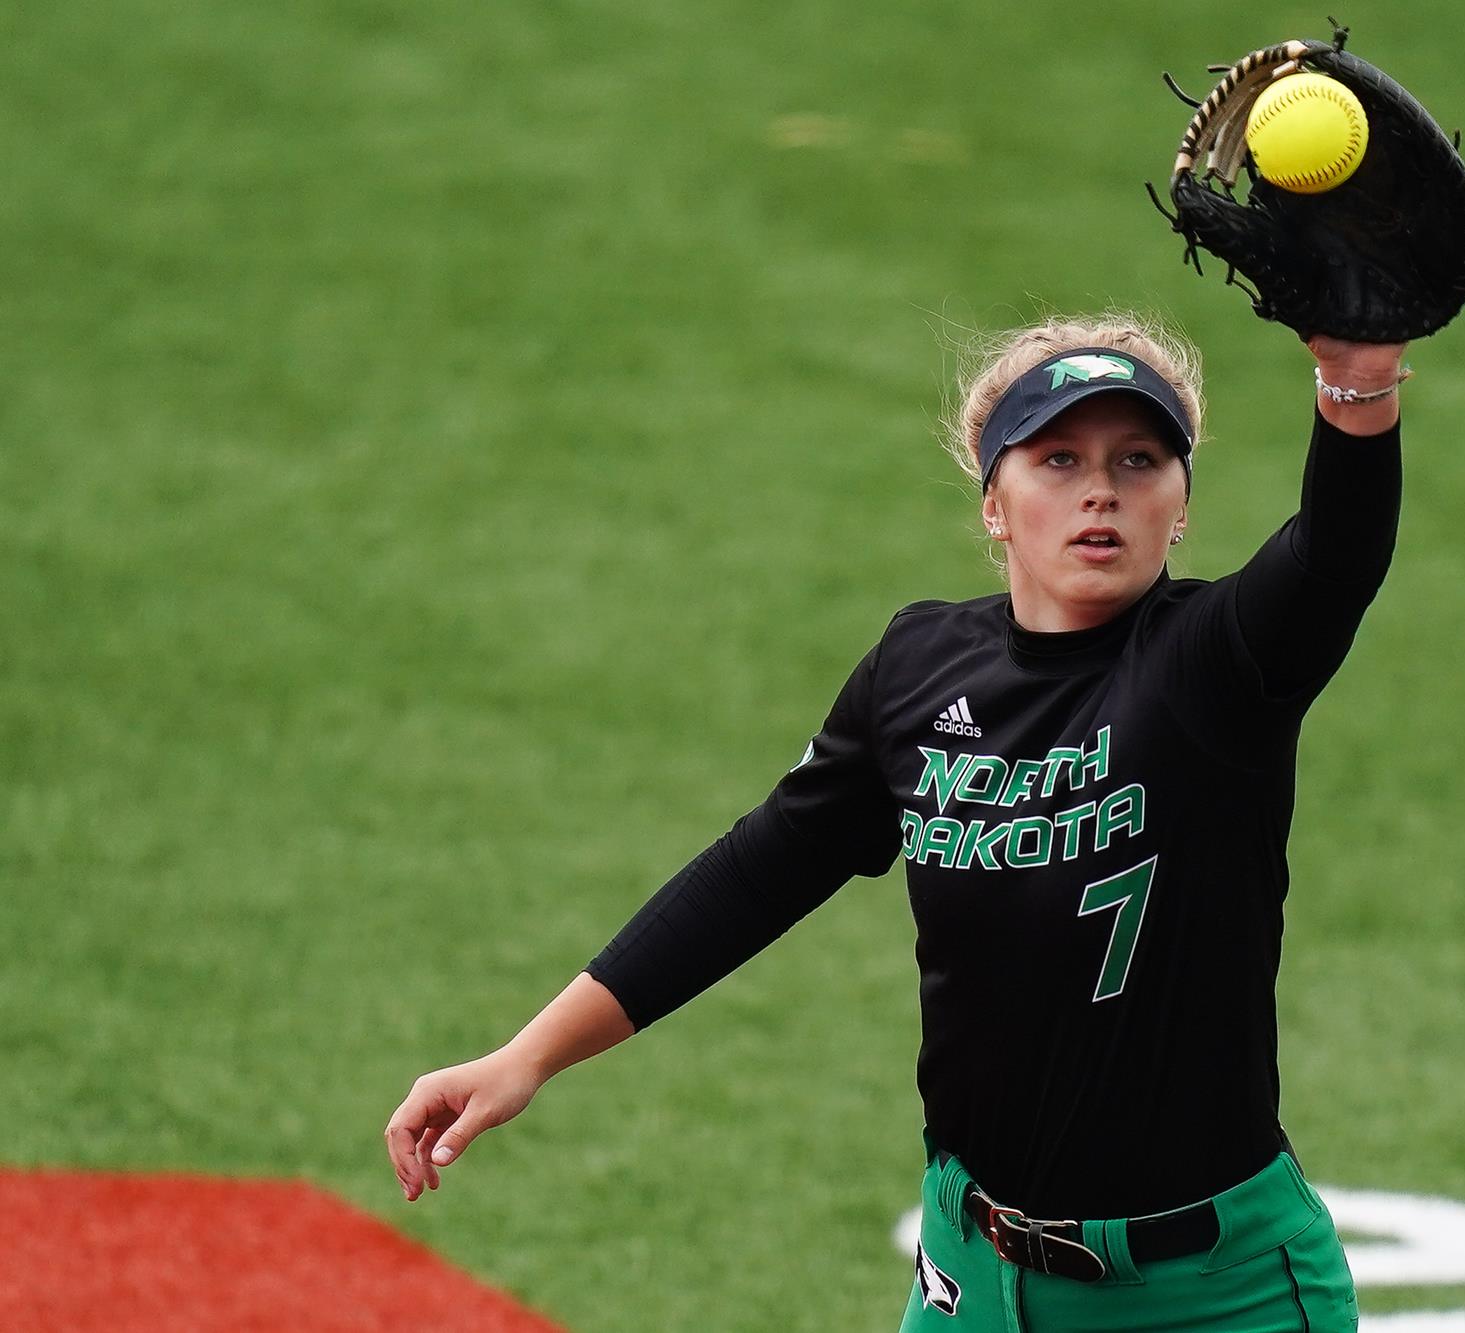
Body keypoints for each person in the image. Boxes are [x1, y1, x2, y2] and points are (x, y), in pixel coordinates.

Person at [386, 314, 1407, 1332]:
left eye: (1138, 460)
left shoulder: (1215, 669)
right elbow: (758, 873)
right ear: (993, 503)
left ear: (1179, 506)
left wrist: (1356, 384)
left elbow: (1333, 559)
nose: (1100, 490)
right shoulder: (919, 673)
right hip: (971, 1278)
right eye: (1057, 458)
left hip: (1206, 1299)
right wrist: (526, 1055)